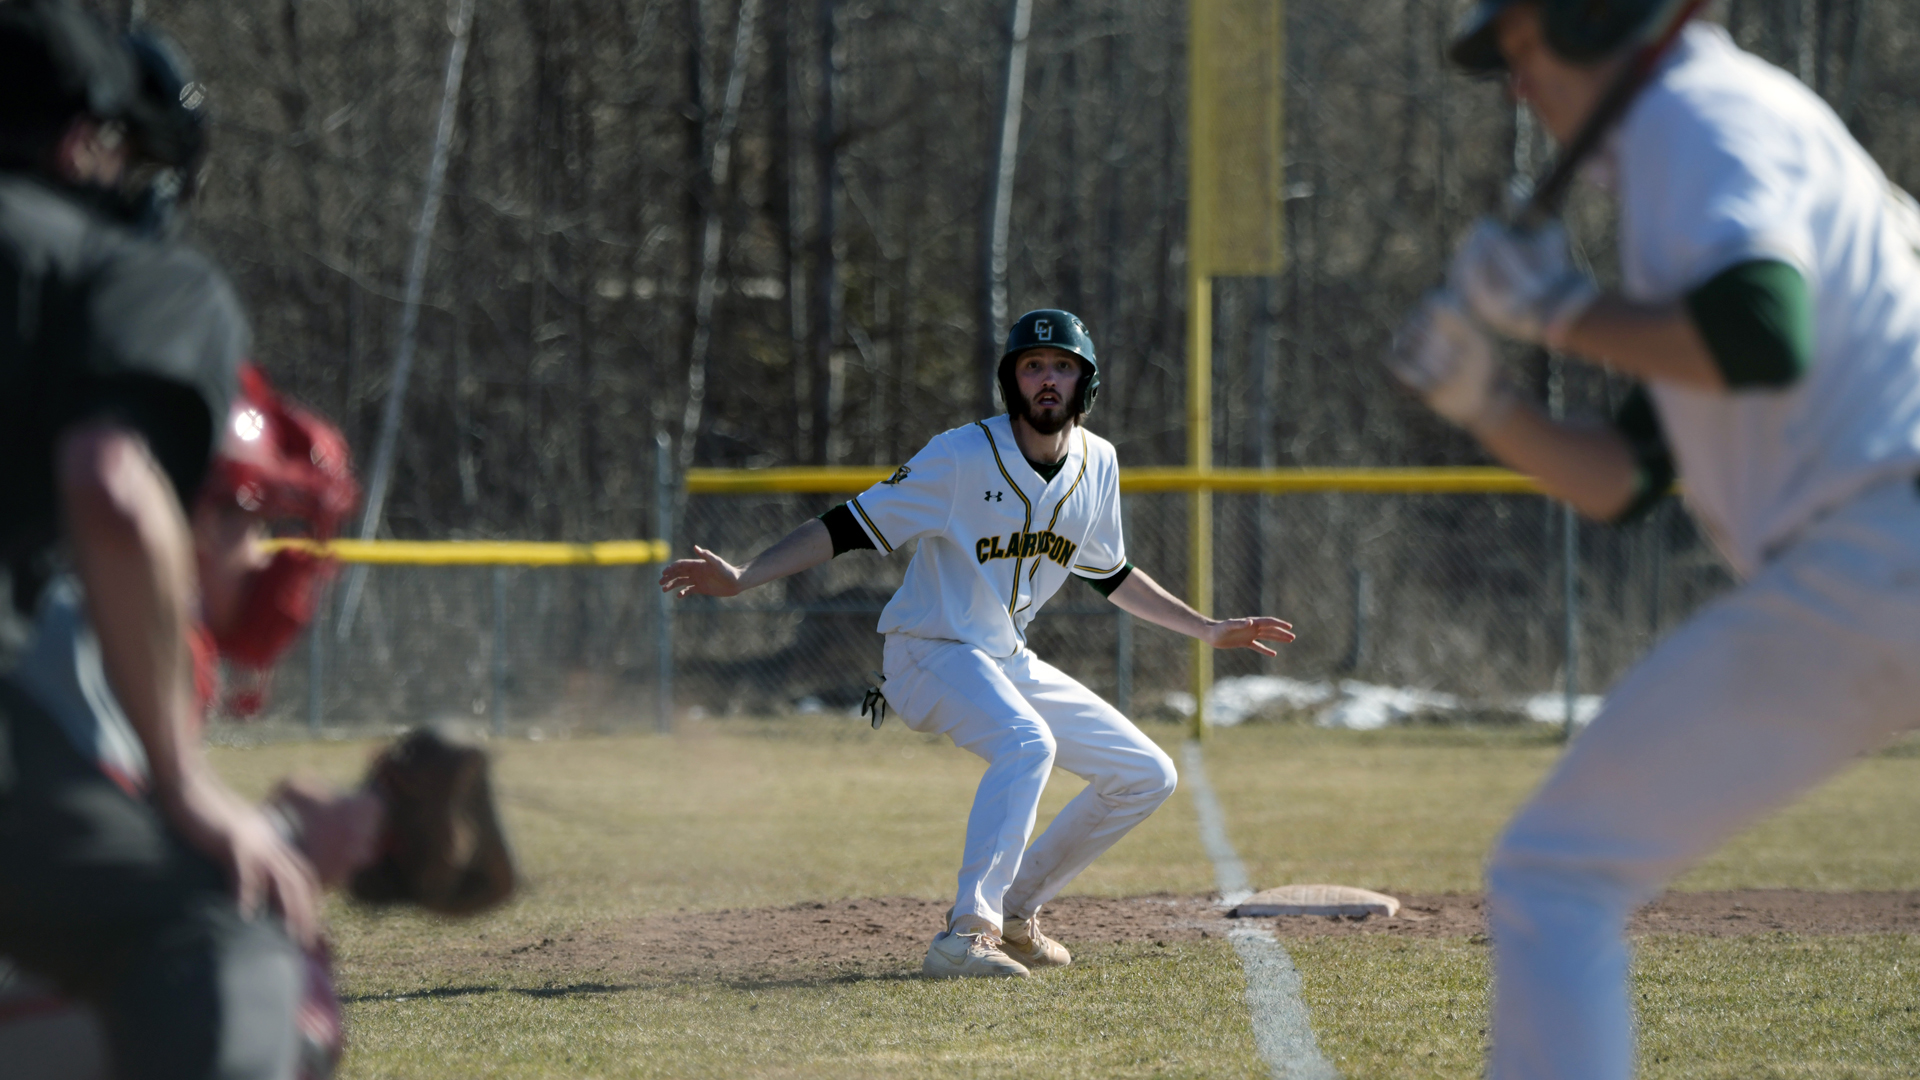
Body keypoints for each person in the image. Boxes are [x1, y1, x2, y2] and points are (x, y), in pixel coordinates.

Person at [1387, 2, 1920, 1076]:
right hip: (1875, 550)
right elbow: (1624, 478)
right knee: (1560, 872)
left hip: (1877, 550)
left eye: (1523, 48)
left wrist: (1560, 312)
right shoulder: (1716, 132)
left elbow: (1761, 335)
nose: (1518, 88)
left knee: (1556, 873)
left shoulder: (1694, 114)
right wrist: (1486, 400)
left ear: (1591, 21)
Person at [660, 308, 1297, 978]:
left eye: (1062, 366)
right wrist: (746, 576)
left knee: (1145, 774)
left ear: (1086, 382)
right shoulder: (960, 455)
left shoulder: (1098, 462)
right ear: (1011, 380)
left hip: (1003, 657)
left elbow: (1109, 573)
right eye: (1032, 366)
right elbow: (848, 523)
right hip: (924, 652)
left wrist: (1207, 628)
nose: (1047, 379)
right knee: (1028, 743)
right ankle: (966, 936)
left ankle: (1018, 911)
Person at [1, 362, 515, 1079]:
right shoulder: (91, 624)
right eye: (256, 520)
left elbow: (92, 849)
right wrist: (289, 842)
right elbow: (91, 889)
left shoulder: (63, 609)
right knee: (263, 982)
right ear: (200, 513)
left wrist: (309, 833)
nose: (261, 554)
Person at [0, 2, 322, 1076]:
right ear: (88, 139)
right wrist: (183, 784)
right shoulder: (117, 275)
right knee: (230, 943)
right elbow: (111, 483)